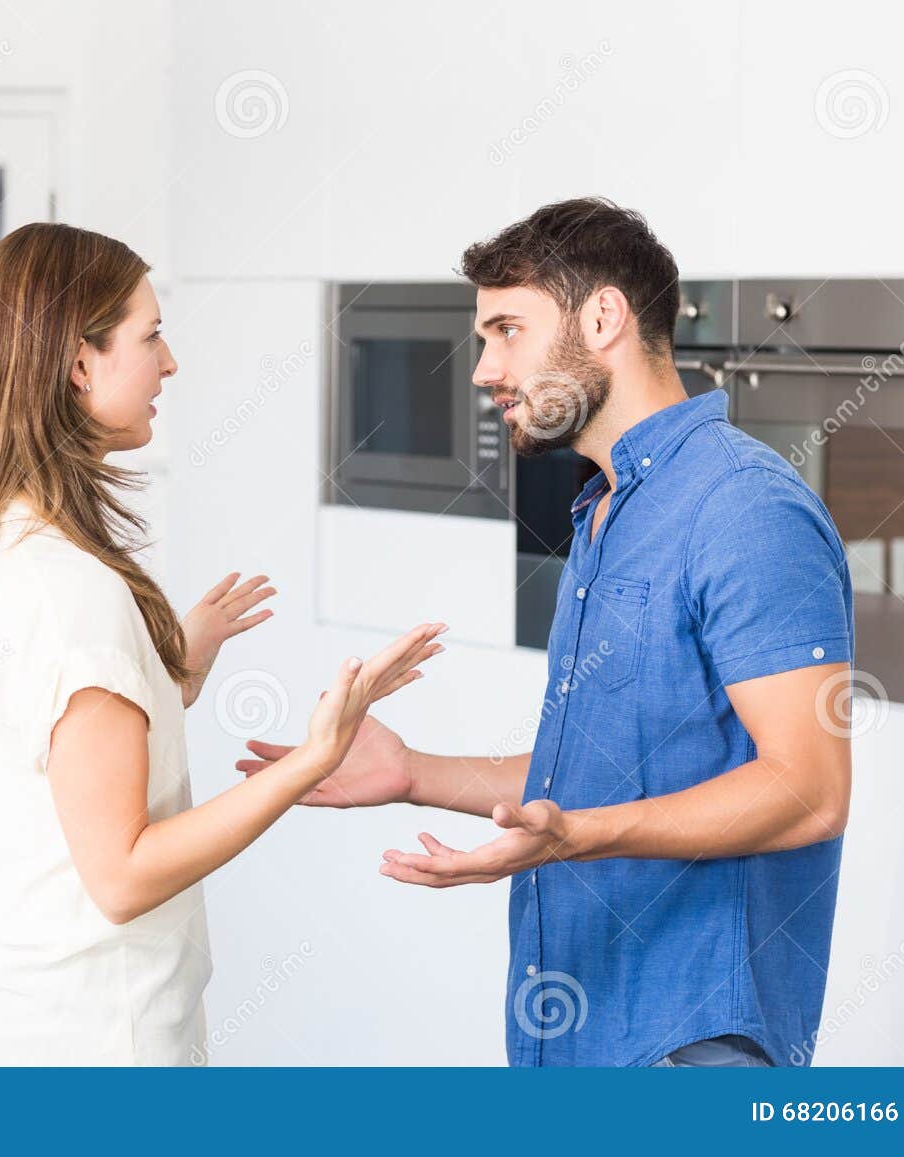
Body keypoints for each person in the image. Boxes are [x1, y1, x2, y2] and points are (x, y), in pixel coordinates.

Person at [238, 198, 853, 1068]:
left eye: (507, 330)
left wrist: (583, 836)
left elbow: (810, 788)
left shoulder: (744, 508)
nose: (485, 368)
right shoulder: (607, 510)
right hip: (581, 1021)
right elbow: (590, 776)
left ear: (603, 316)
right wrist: (414, 773)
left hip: (692, 1041)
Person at [0, 222, 445, 1065]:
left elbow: (52, 749)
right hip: (97, 1041)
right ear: (80, 364)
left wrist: (166, 673)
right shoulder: (77, 594)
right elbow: (122, 875)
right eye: (150, 335)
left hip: (12, 1016)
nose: (170, 362)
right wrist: (316, 754)